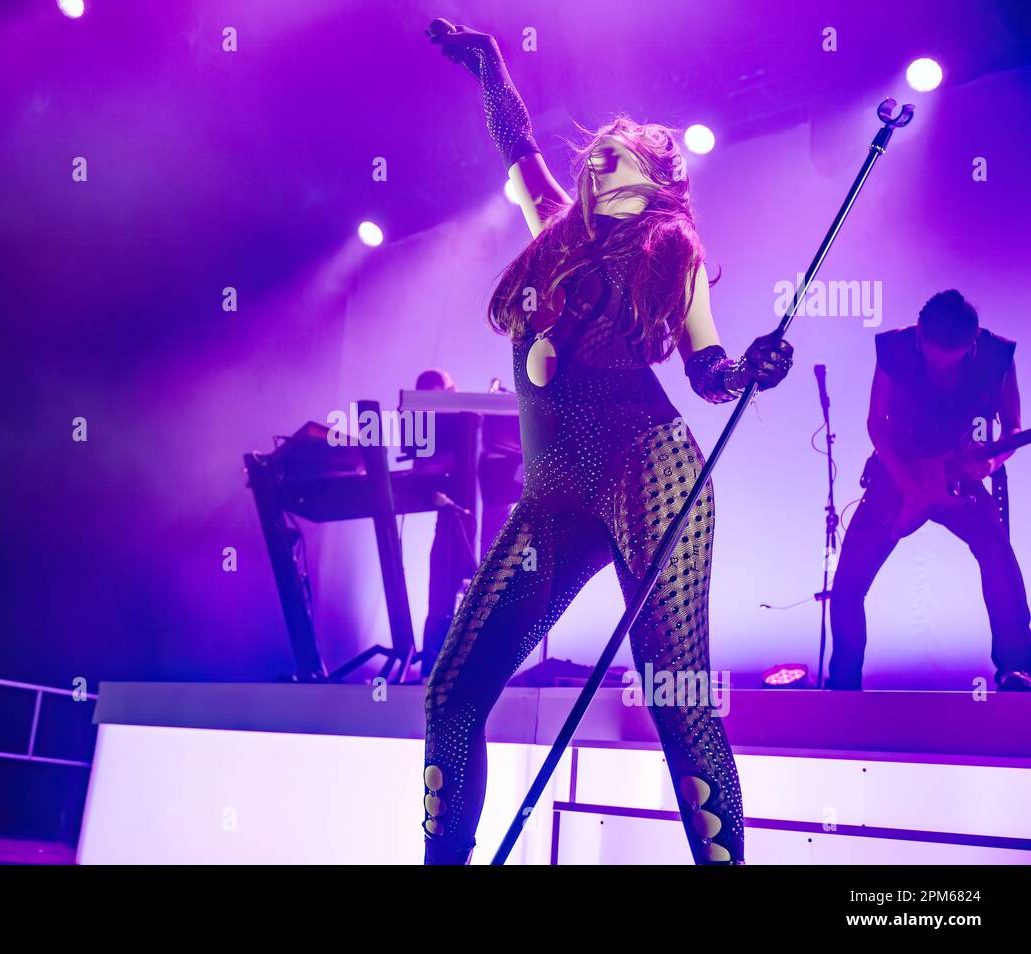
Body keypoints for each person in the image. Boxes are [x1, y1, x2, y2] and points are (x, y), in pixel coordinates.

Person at [420, 20, 793, 864]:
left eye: (619, 154)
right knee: (452, 691)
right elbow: (515, 139)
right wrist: (489, 59)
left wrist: (751, 370)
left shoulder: (673, 248)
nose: (597, 158)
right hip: (554, 492)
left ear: (660, 178)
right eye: (595, 151)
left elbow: (707, 368)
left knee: (676, 693)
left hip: (647, 468)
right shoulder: (551, 224)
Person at [828, 290, 1031, 691]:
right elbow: (877, 424)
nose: (939, 371)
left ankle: (1015, 669)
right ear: (919, 333)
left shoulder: (997, 356)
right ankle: (843, 684)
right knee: (849, 582)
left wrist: (988, 464)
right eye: (932, 359)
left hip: (960, 476)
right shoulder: (896, 349)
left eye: (950, 363)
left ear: (972, 343)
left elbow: (1011, 428)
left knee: (1000, 564)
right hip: (897, 474)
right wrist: (911, 487)